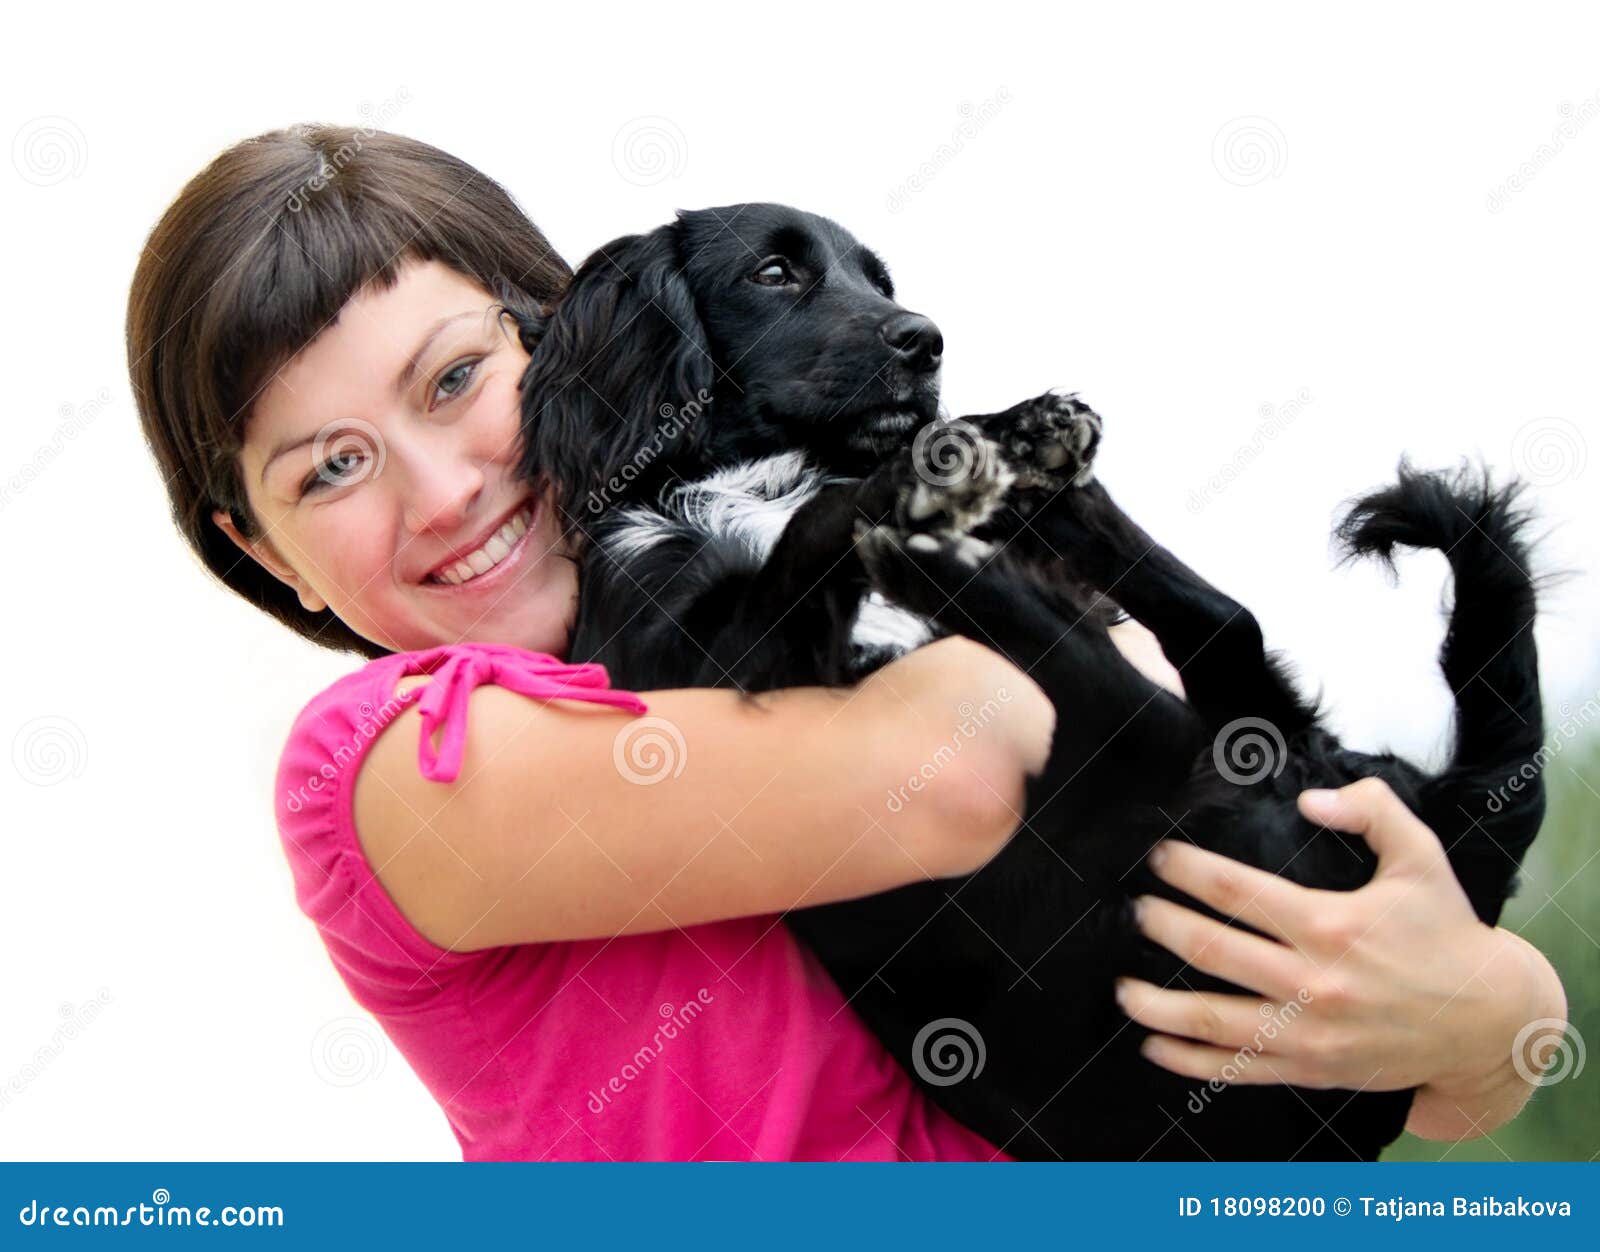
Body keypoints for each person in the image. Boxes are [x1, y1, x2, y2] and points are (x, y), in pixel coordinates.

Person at [126, 123, 1568, 1161]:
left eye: (455, 380)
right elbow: (956, 765)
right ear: (261, 552)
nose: (442, 492)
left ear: (564, 344)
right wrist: (956, 553)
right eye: (328, 468)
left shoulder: (741, 574)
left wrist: (1492, 1005)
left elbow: (1391, 1074)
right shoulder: (379, 771)